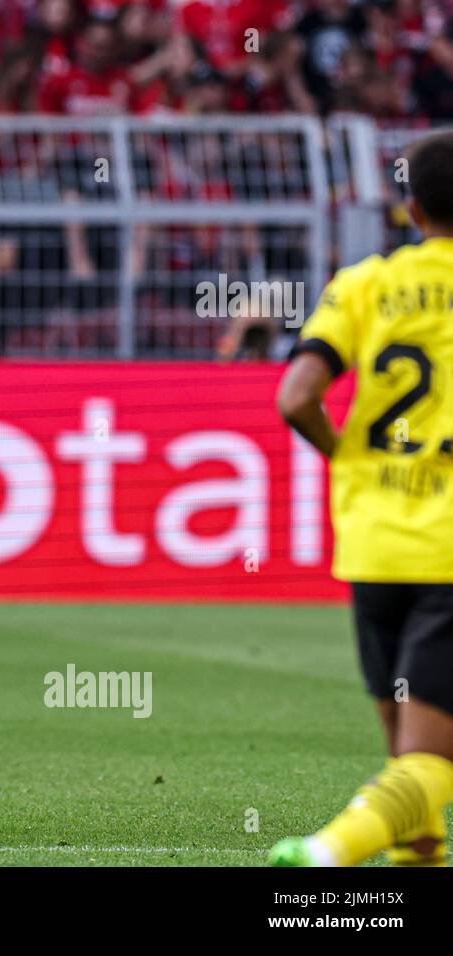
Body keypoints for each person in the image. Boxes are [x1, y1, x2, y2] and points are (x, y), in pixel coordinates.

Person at [271, 130, 453, 867]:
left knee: (410, 755)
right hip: (446, 548)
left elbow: (296, 397)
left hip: (375, 539)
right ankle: (329, 853)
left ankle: (420, 862)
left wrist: (347, 456)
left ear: (410, 207)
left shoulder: (363, 283)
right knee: (431, 762)